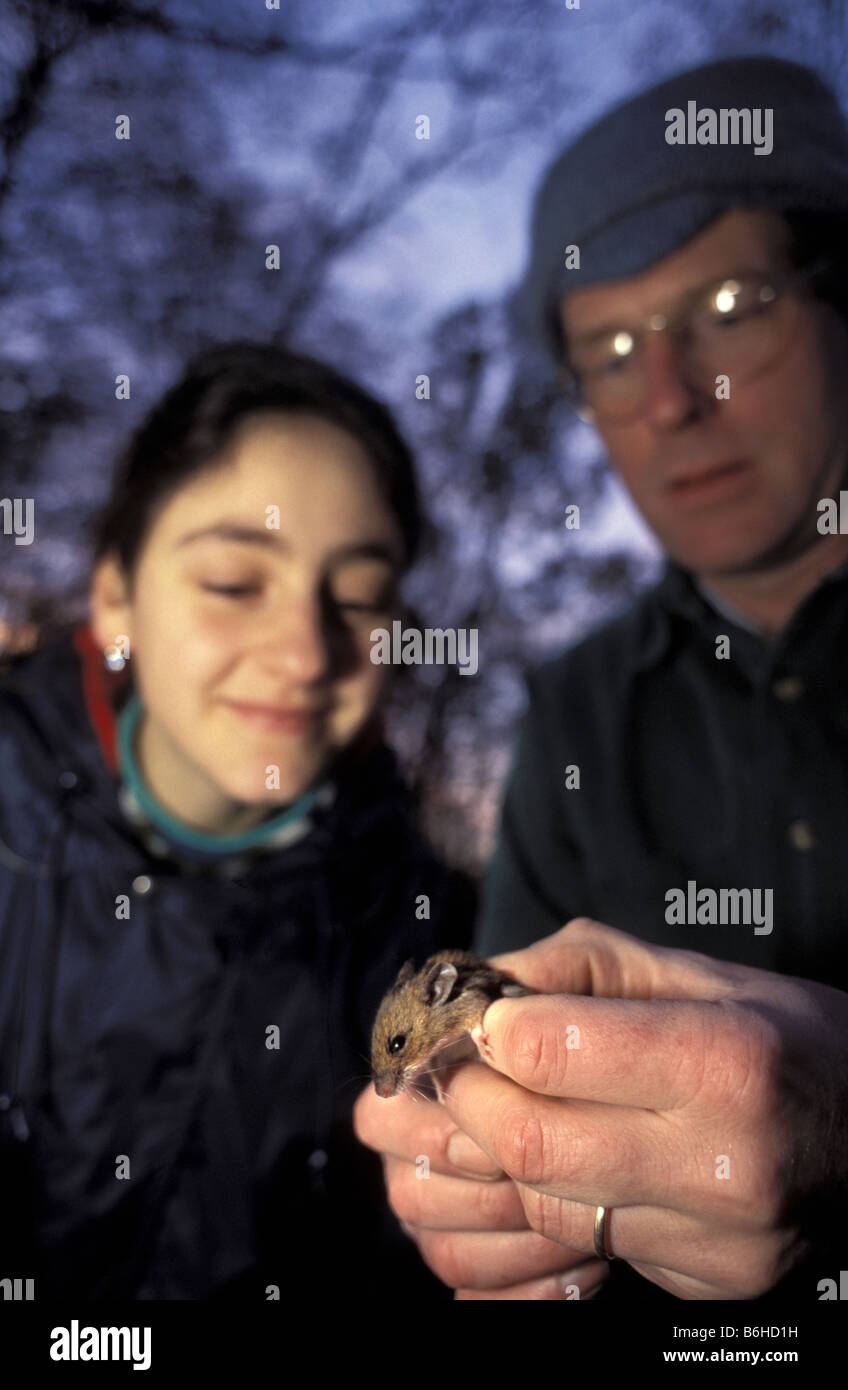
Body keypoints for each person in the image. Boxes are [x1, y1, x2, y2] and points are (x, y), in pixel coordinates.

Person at [354, 57, 848, 1304]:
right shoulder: (571, 708)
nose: (674, 399)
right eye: (612, 349)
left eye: (731, 305)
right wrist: (494, 1215)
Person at [0, 340, 473, 1300]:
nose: (305, 653)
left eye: (357, 598)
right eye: (232, 583)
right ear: (115, 598)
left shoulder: (428, 944)